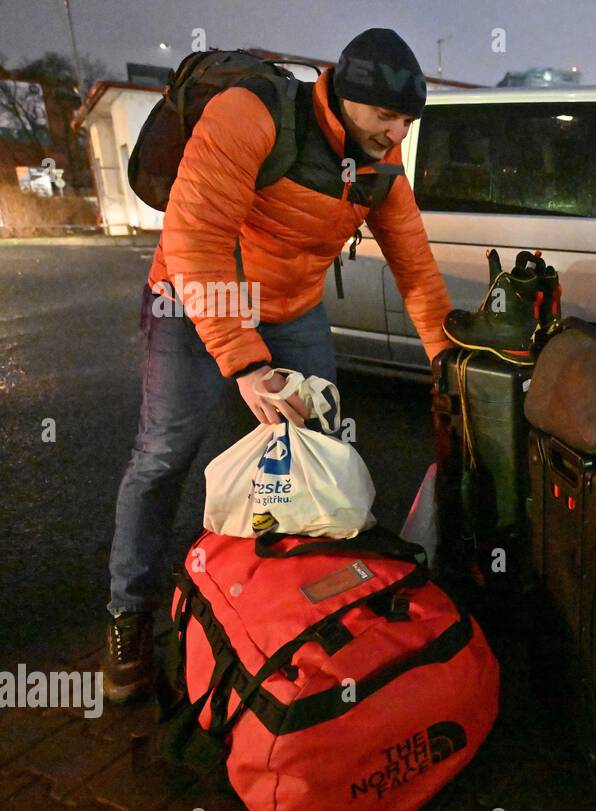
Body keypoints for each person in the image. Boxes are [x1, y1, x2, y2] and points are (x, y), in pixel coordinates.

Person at [104, 28, 456, 702]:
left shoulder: (379, 163)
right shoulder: (253, 111)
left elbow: (415, 265)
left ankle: (292, 603)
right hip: (194, 293)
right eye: (387, 117)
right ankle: (130, 611)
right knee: (166, 451)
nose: (397, 134)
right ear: (344, 96)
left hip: (290, 308)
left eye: (408, 121)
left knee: (312, 449)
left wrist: (446, 363)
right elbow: (196, 237)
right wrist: (243, 363)